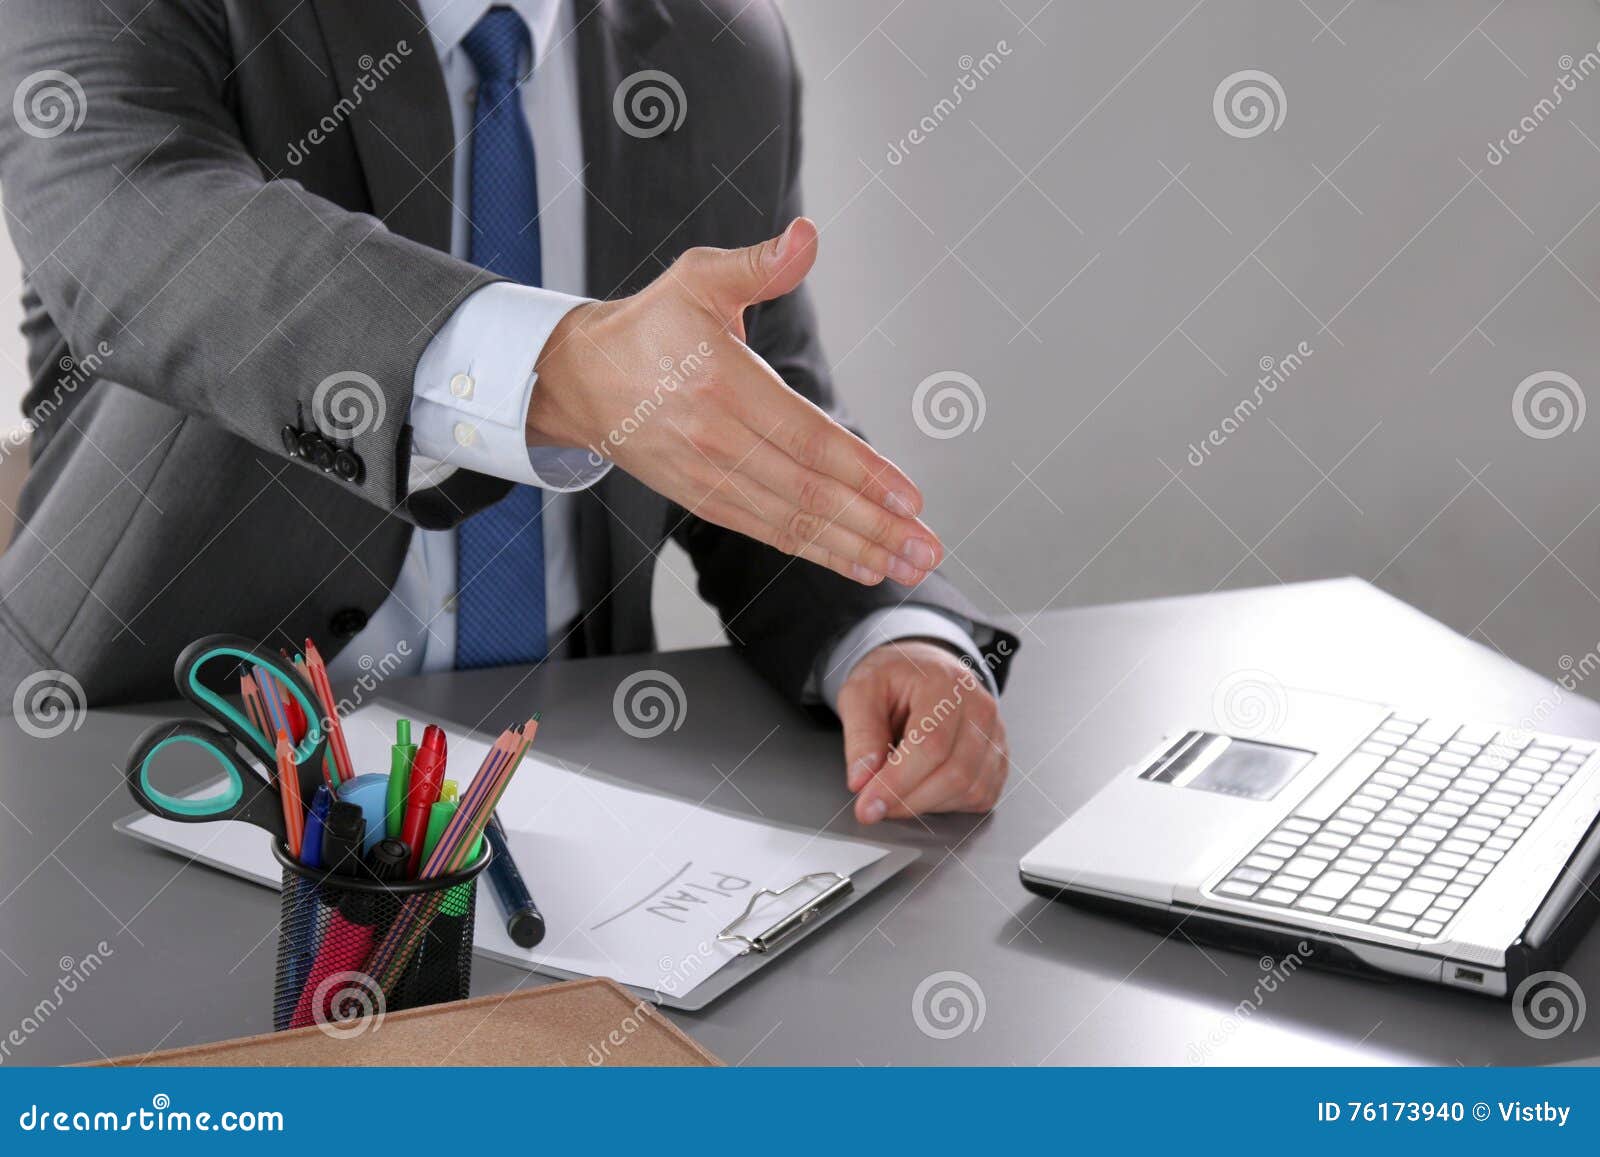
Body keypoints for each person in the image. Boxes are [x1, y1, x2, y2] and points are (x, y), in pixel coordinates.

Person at [0, 0, 1016, 822]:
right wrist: (555, 371)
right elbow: (134, 221)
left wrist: (890, 635)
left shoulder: (723, 48)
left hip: (564, 774)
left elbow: (745, 415)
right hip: (151, 752)